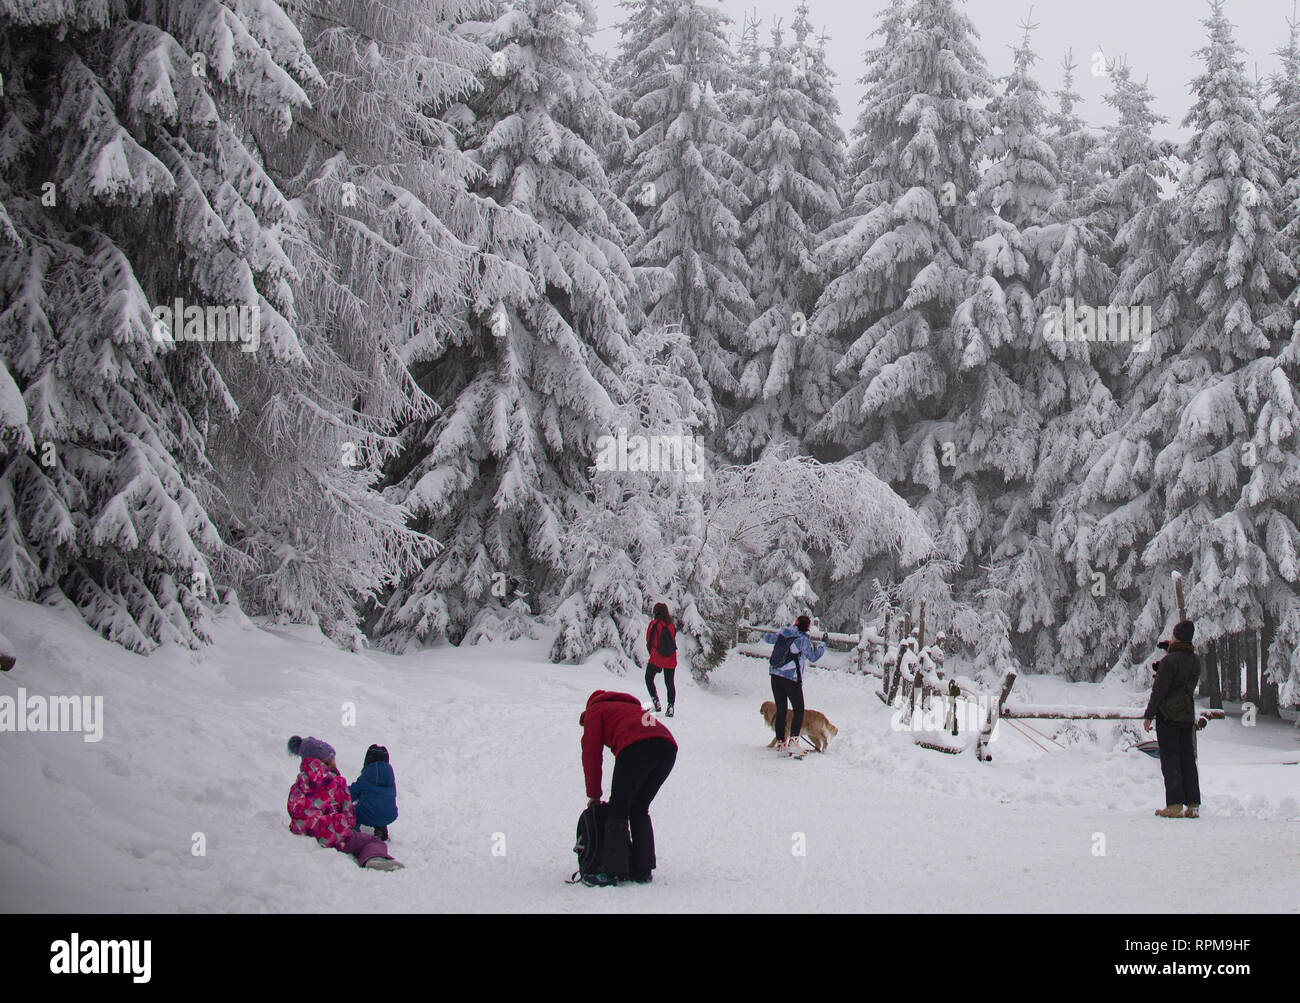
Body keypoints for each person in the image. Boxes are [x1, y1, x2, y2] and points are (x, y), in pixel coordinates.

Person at [579, 690, 677, 887]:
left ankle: (611, 871)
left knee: (619, 808)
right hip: (667, 747)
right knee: (639, 807)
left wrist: (594, 795)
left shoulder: (595, 711)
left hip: (636, 747)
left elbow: (591, 755)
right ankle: (643, 869)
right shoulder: (632, 708)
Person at [286, 736, 402, 869]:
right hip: (331, 836)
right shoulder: (336, 782)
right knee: (375, 842)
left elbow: (293, 809)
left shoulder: (297, 786)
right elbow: (349, 815)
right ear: (327, 761)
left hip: (304, 832)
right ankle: (373, 858)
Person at [1142, 620, 1202, 818]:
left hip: (1168, 715)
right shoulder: (1195, 660)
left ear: (1176, 636)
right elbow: (1185, 681)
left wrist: (1149, 715)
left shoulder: (1169, 662)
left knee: (1170, 759)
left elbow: (1160, 690)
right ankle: (1193, 804)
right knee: (1187, 758)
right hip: (1186, 714)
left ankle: (1174, 804)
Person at [762, 614, 826, 759]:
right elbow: (814, 657)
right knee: (799, 710)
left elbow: (767, 638)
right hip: (791, 678)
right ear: (808, 627)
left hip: (775, 676)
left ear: (795, 623)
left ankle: (780, 743)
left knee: (781, 710)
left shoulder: (783, 632)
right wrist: (823, 645)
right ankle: (793, 742)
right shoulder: (802, 639)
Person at [350, 744, 398, 842]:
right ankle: (381, 829)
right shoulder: (390, 777)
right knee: (380, 803)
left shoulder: (367, 775)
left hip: (368, 815)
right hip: (390, 815)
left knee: (353, 810)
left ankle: (353, 828)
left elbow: (352, 793)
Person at [645, 602, 678, 716]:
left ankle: (656, 701)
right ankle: (671, 707)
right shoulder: (671, 625)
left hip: (657, 658)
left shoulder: (654, 624)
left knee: (648, 678)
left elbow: (649, 641)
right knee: (669, 683)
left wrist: (652, 653)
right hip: (671, 658)